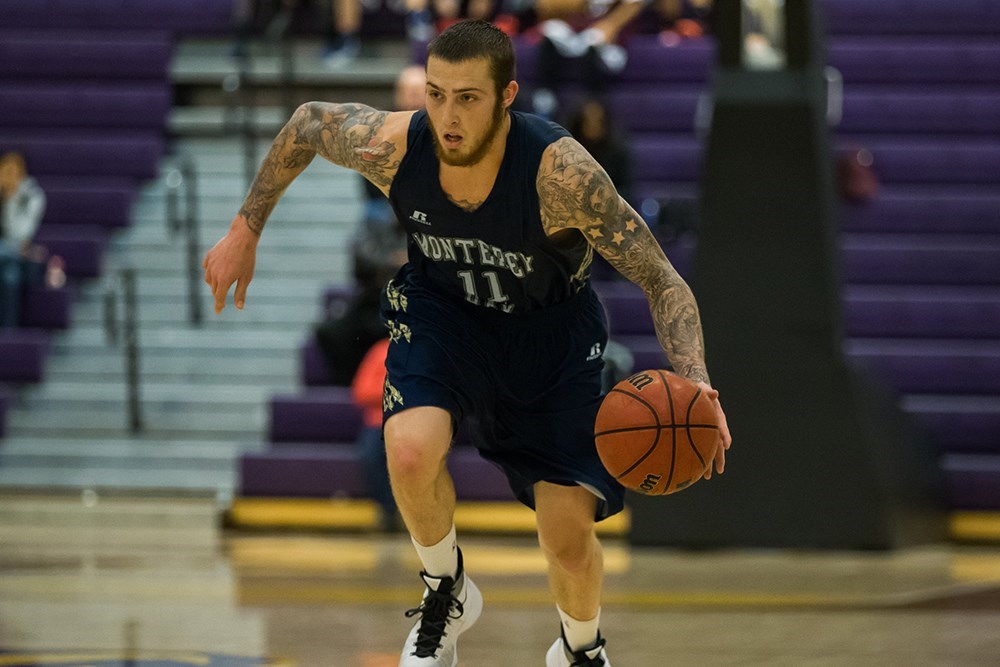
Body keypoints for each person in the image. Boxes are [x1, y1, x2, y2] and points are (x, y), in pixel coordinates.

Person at [203, 19, 731, 666]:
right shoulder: (397, 147)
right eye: (436, 93)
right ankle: (445, 586)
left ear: (507, 96)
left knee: (566, 536)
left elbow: (660, 278)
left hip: (550, 338)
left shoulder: (560, 175)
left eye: (468, 97)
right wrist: (244, 227)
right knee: (407, 449)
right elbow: (309, 122)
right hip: (444, 315)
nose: (447, 115)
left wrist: (697, 379)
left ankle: (580, 648)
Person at [351, 337, 401, 530]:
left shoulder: (429, 349)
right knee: (370, 457)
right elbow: (361, 392)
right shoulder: (381, 350)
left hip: (419, 421)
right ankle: (390, 509)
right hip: (378, 421)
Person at [0, 151, 47, 329]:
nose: (8, 177)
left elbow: (19, 234)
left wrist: (11, 200)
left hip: (22, 259)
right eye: (5, 171)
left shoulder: (32, 196)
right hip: (9, 260)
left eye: (14, 172)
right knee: (9, 275)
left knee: (11, 275)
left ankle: (7, 335)